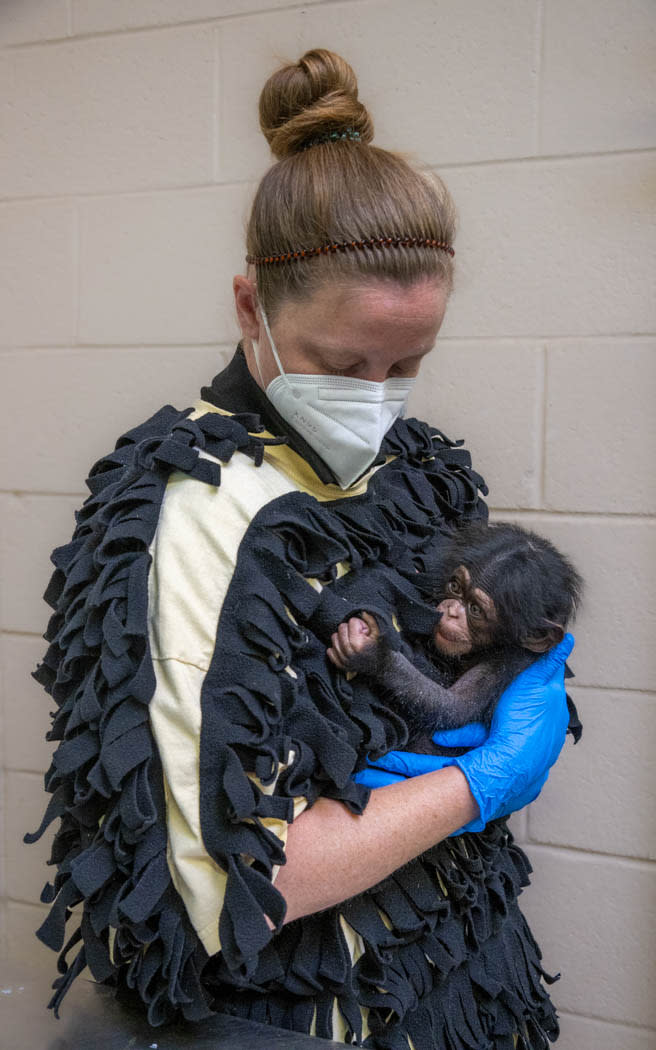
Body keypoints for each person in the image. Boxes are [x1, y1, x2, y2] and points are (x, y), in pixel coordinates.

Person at [28, 49, 573, 1050]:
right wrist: (477, 780)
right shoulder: (189, 516)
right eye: (340, 363)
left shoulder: (423, 470)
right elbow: (255, 881)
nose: (376, 395)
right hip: (300, 1017)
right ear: (252, 310)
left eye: (406, 363)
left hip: (455, 979)